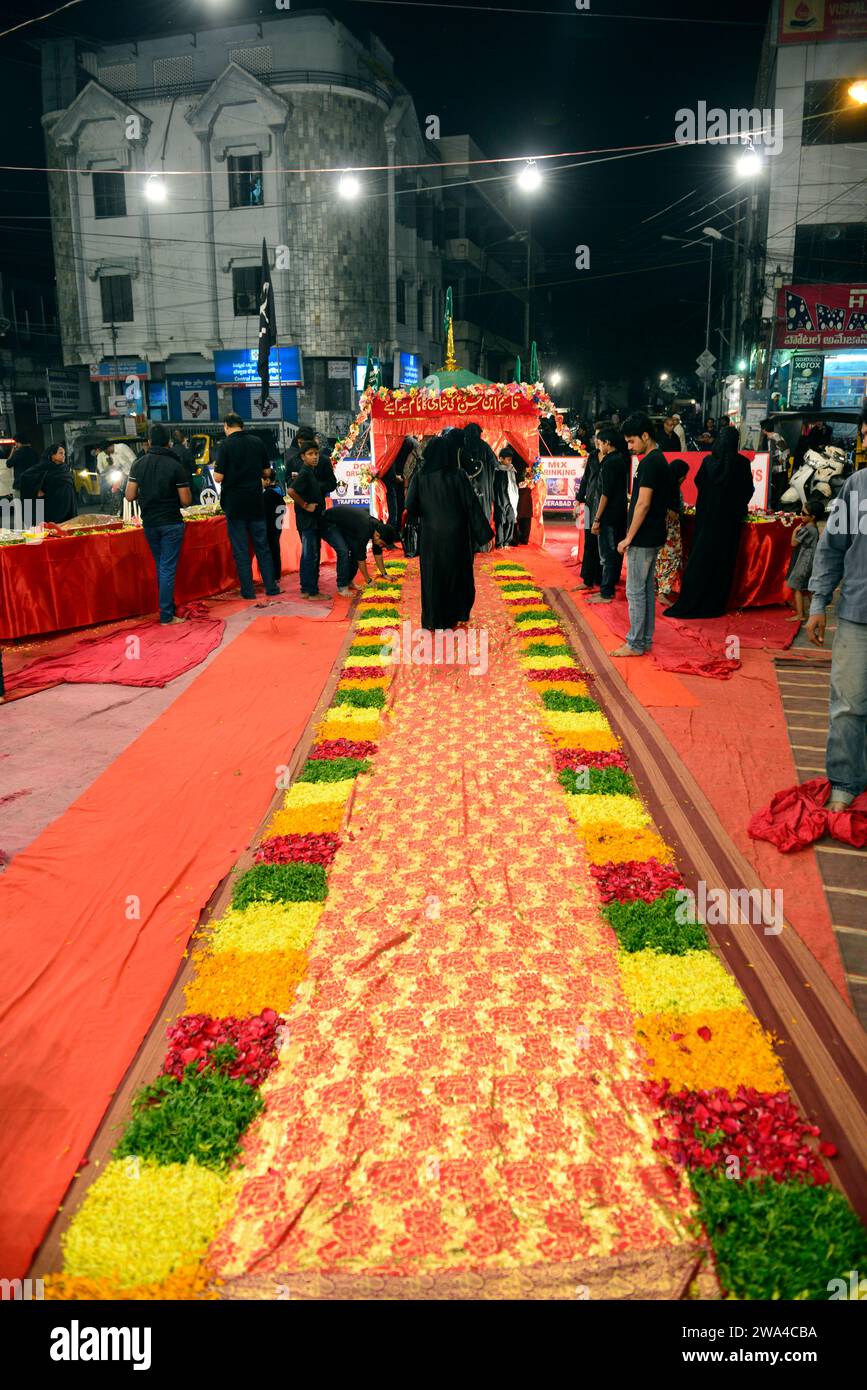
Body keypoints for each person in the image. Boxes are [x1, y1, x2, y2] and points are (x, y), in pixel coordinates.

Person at [807, 467, 867, 810]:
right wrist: (818, 602)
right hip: (858, 614)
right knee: (848, 705)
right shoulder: (856, 486)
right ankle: (845, 782)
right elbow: (831, 548)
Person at [405, 427, 494, 630]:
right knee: (458, 574)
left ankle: (432, 619)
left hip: (431, 536)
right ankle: (458, 613)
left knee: (432, 577)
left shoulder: (420, 476)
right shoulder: (458, 475)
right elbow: (471, 505)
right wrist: (484, 533)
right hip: (456, 535)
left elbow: (411, 506)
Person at [664, 425, 754, 619]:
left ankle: (692, 600)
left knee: (700, 559)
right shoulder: (742, 463)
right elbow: (747, 490)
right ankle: (714, 605)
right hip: (729, 523)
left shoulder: (708, 461)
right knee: (723, 562)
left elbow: (698, 482)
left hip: (706, 520)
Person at [610, 414, 670, 657]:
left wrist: (628, 538)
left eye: (632, 441)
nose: (629, 447)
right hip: (653, 535)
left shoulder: (649, 463)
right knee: (644, 590)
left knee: (635, 591)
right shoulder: (658, 460)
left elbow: (643, 504)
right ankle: (643, 640)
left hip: (643, 537)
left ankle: (635, 643)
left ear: (646, 436)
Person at [125, 423, 193, 625]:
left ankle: (168, 608)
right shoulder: (175, 465)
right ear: (168, 442)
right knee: (167, 568)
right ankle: (166, 615)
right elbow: (186, 500)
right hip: (171, 522)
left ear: (148, 442)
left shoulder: (138, 464)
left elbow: (129, 495)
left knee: (162, 566)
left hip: (150, 523)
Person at [213, 413, 280, 601]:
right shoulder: (257, 442)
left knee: (241, 549)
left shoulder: (225, 445)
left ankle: (248, 592)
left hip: (235, 504)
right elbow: (267, 471)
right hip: (255, 501)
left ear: (226, 426)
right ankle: (271, 587)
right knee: (262, 546)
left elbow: (218, 477)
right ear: (242, 425)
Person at [587, 425, 629, 604]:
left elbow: (606, 493)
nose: (598, 446)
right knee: (609, 554)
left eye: (600, 442)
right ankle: (606, 590)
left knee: (607, 555)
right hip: (616, 514)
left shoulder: (611, 462)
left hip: (608, 516)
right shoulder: (619, 459)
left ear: (607, 443)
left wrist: (597, 518)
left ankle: (606, 592)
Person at [319, 505, 398, 594]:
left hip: (343, 525)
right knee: (343, 551)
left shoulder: (378, 528)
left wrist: (385, 574)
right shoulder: (364, 531)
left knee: (354, 551)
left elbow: (378, 553)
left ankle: (348, 581)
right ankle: (342, 586)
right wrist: (368, 580)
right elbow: (361, 559)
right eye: (382, 544)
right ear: (377, 536)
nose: (380, 546)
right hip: (327, 522)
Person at [287, 442, 328, 598]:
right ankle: (312, 591)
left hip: (309, 520)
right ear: (303, 456)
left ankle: (305, 589)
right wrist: (305, 505)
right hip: (308, 520)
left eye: (316, 453)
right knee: (311, 555)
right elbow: (291, 491)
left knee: (307, 555)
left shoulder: (309, 471)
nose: (315, 457)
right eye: (310, 454)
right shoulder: (304, 472)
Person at [655, 457, 689, 603]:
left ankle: (657, 588)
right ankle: (663, 592)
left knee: (659, 559)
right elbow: (674, 512)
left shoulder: (660, 484)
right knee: (672, 558)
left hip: (658, 529)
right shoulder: (673, 488)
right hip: (670, 531)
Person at [785, 497, 825, 624]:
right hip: (810, 560)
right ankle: (816, 612)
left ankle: (800, 614)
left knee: (797, 587)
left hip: (804, 561)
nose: (800, 515)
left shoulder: (807, 529)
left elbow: (793, 543)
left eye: (803, 513)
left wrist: (794, 531)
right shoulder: (813, 528)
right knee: (807, 588)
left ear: (812, 516)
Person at [458, 423, 496, 551]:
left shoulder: (462, 448)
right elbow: (494, 464)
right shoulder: (485, 447)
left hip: (466, 487)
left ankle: (468, 545)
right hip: (483, 487)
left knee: (466, 514)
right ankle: (482, 545)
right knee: (483, 512)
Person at [19, 441, 78, 523]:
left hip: (68, 505)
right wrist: (37, 490)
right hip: (52, 506)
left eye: (64, 454)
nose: (63, 456)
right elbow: (25, 477)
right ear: (52, 455)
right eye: (60, 453)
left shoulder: (64, 468)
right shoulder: (43, 466)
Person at [576, 432, 603, 589]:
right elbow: (585, 478)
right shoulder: (592, 456)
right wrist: (579, 498)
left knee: (603, 544)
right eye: (596, 437)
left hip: (603, 506)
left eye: (599, 437)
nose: (597, 440)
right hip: (588, 504)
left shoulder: (613, 459)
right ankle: (587, 580)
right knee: (589, 542)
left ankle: (601, 580)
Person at [261, 465, 286, 582]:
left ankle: (273, 576)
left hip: (270, 527)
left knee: (271, 551)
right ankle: (276, 575)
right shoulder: (279, 492)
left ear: (267, 480)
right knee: (275, 549)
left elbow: (266, 512)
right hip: (278, 525)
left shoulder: (267, 495)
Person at [493, 446, 519, 548]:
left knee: (510, 520)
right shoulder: (496, 470)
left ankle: (507, 542)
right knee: (500, 521)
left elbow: (514, 485)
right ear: (501, 459)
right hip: (500, 499)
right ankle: (499, 543)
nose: (509, 461)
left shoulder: (512, 469)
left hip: (511, 500)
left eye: (510, 459)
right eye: (507, 459)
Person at [513, 448, 534, 546]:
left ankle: (515, 539)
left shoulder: (511, 451)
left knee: (516, 512)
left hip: (517, 486)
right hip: (525, 486)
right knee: (524, 512)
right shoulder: (527, 451)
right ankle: (524, 538)